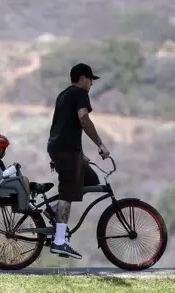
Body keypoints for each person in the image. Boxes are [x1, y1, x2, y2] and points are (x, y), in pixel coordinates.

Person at [47, 63, 110, 259]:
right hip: (66, 150)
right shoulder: (80, 93)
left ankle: (56, 210)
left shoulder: (63, 95)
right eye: (91, 79)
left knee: (90, 179)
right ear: (83, 78)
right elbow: (83, 119)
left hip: (62, 148)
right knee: (67, 192)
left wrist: (80, 154)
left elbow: (64, 125)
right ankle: (59, 241)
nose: (92, 83)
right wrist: (100, 144)